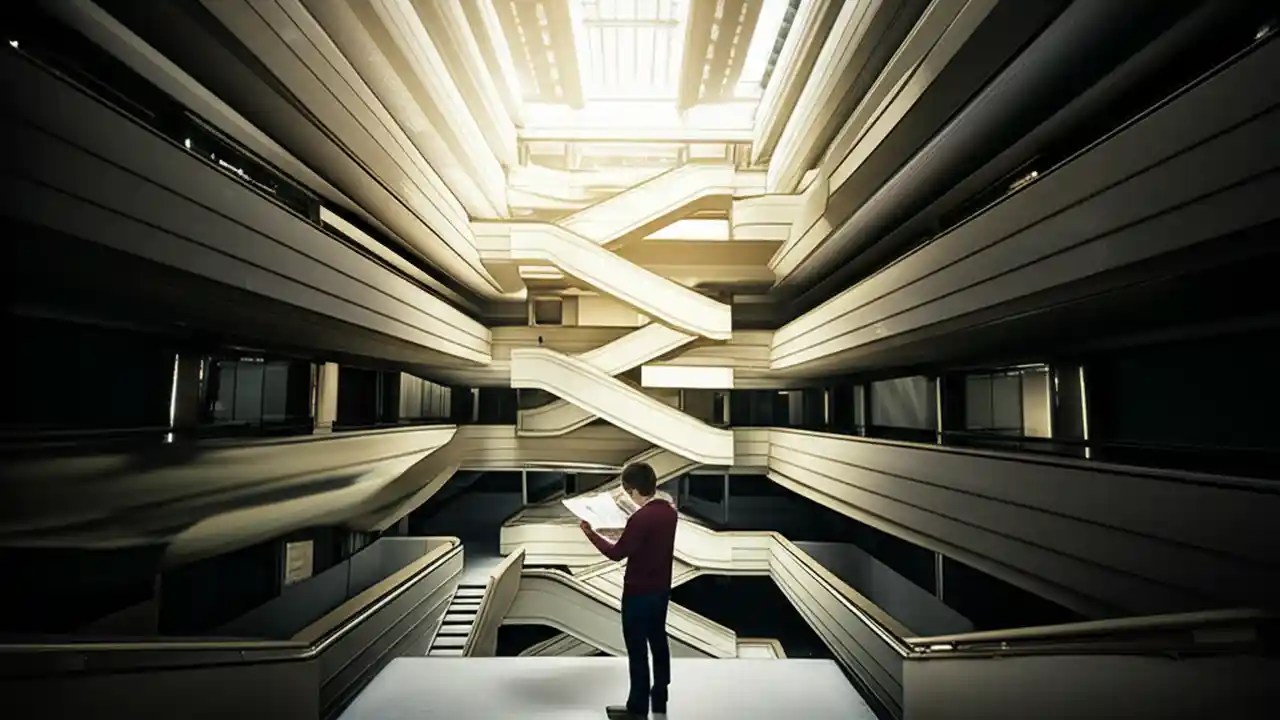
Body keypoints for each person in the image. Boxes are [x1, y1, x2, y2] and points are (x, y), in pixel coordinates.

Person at [580, 462, 676, 719]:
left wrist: (590, 533)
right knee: (658, 639)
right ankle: (660, 696)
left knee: (637, 650)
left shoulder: (640, 518)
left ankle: (637, 708)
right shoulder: (669, 512)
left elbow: (616, 553)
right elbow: (647, 539)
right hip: (661, 589)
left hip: (638, 592)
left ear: (633, 491)